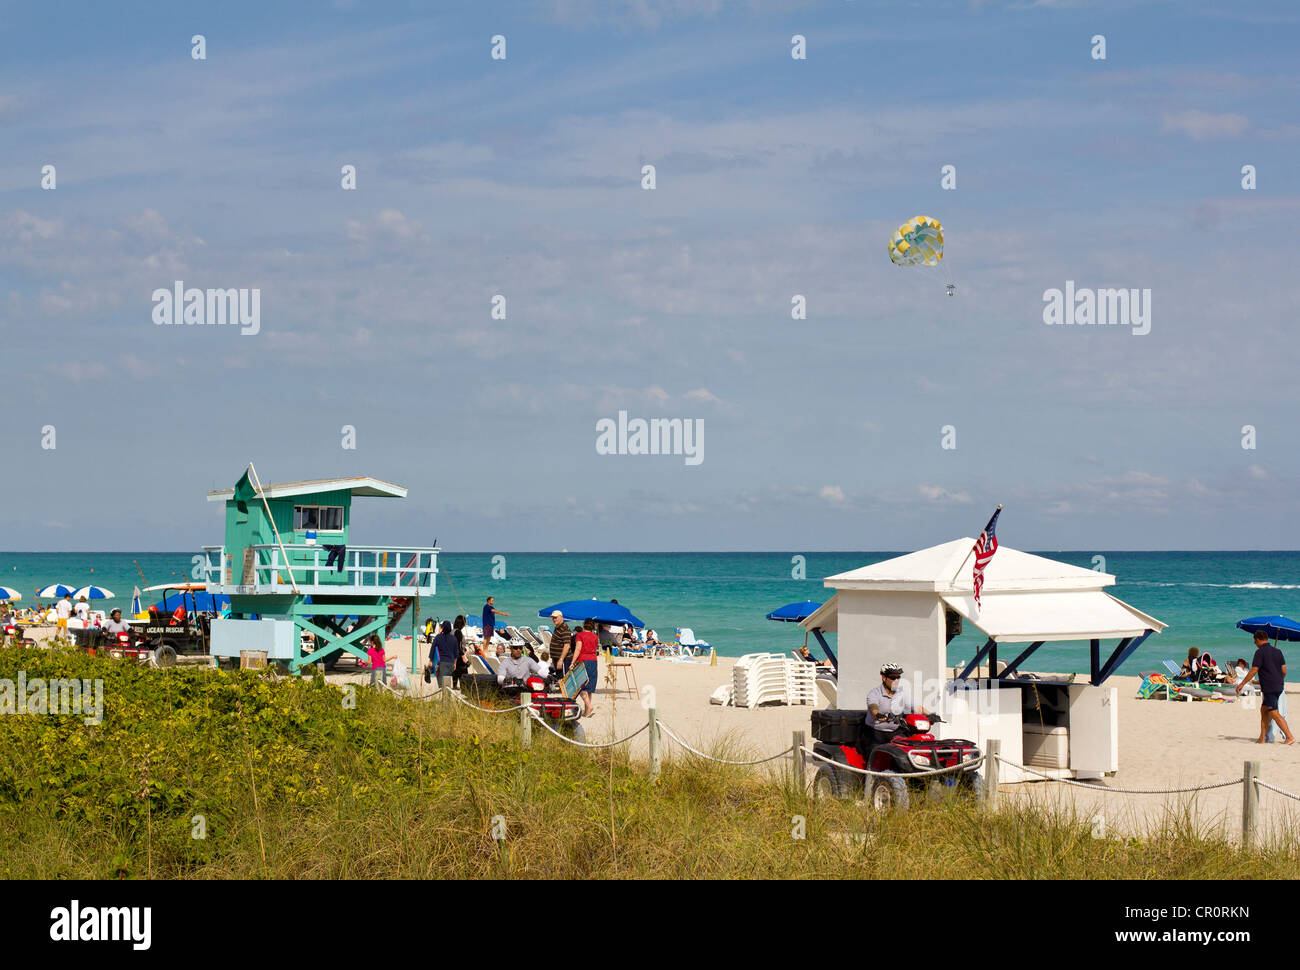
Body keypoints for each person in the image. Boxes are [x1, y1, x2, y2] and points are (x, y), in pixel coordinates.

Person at [1236, 630, 1295, 745]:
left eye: (1255, 641)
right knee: (1264, 710)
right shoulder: (1278, 652)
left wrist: (1242, 684)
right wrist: (1278, 679)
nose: (1255, 643)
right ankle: (1262, 738)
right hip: (1279, 685)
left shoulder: (1259, 652)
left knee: (1273, 712)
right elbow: (1284, 671)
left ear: (1258, 639)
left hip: (1269, 687)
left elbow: (1254, 669)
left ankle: (1289, 737)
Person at [866, 663, 931, 721]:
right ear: (884, 678)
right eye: (893, 677)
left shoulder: (902, 693)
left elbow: (917, 707)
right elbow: (873, 706)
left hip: (897, 731)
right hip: (876, 732)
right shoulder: (875, 693)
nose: (896, 680)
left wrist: (930, 715)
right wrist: (877, 714)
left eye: (898, 677)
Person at [570, 618, 601, 718]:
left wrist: (572, 662)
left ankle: (588, 706)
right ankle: (587, 711)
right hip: (593, 660)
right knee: (589, 686)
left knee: (580, 685)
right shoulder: (595, 637)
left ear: (584, 625)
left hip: (583, 660)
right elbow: (595, 649)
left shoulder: (580, 635)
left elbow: (578, 649)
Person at [430, 620, 459, 689]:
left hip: (441, 663)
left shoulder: (438, 637)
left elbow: (433, 649)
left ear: (442, 628)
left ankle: (445, 699)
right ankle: (447, 698)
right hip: (450, 663)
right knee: (447, 684)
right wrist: (455, 663)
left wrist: (430, 661)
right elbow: (456, 653)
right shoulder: (454, 638)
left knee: (441, 685)